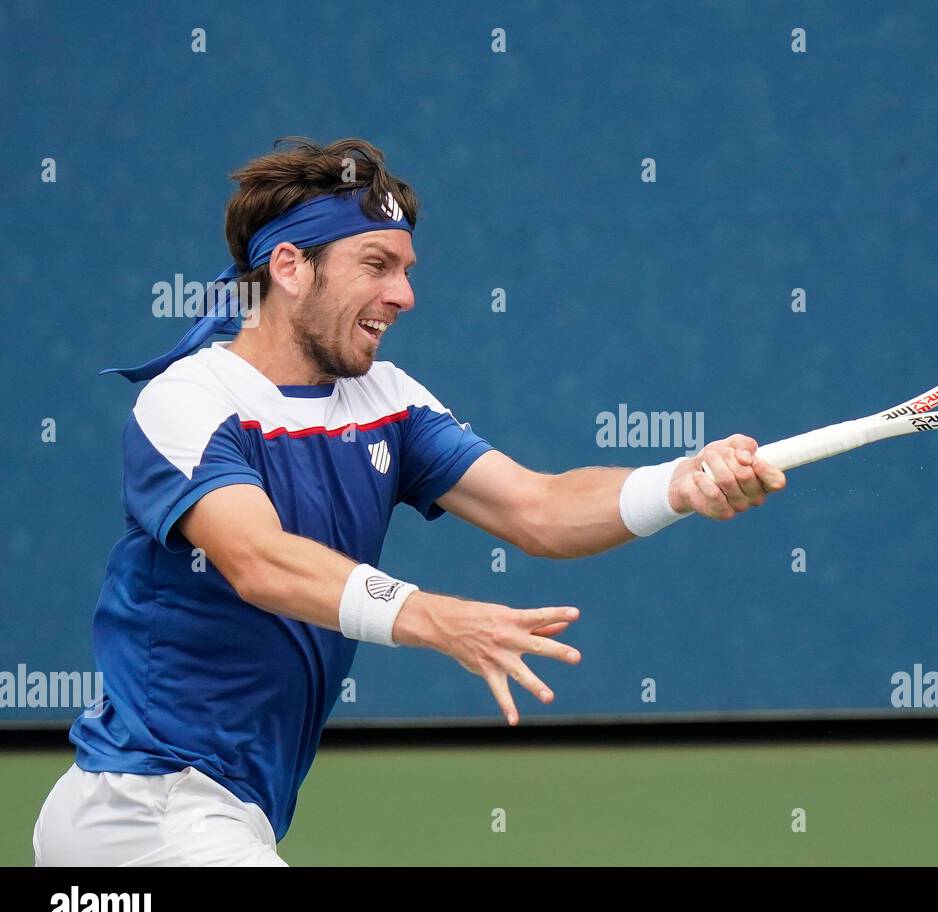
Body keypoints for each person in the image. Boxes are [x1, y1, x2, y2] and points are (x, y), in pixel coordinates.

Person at [32, 137, 785, 866]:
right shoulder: (191, 400)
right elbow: (257, 562)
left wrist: (679, 483)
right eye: (377, 265)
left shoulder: (385, 400)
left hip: (226, 814)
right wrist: (434, 618)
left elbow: (539, 508)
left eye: (406, 268)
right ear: (290, 266)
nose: (404, 294)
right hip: (143, 811)